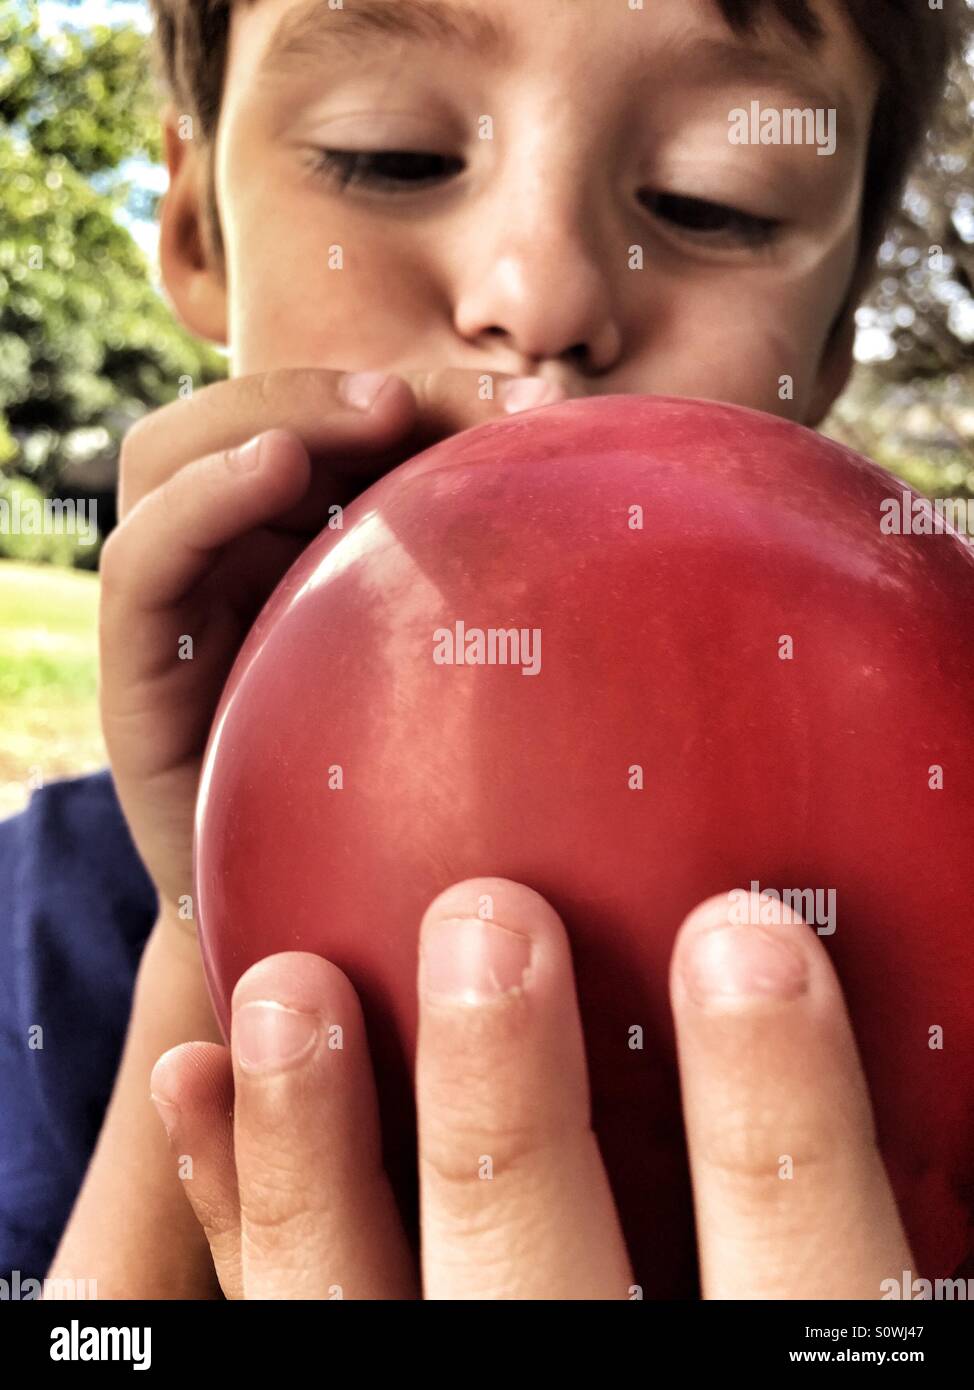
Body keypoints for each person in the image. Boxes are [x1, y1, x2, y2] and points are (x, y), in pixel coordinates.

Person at [1, 0, 965, 1297]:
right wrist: (209, 917)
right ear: (190, 229)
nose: (543, 290)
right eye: (385, 155)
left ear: (837, 341)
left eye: (712, 199)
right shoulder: (36, 937)